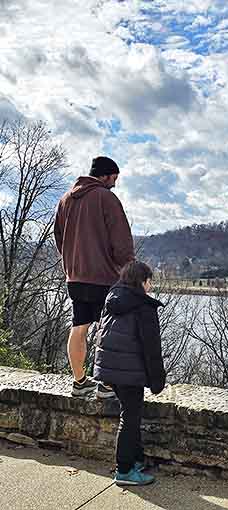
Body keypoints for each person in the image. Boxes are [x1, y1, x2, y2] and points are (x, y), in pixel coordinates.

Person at [54, 156, 135, 398]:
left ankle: (79, 382)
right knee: (107, 328)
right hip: (104, 277)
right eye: (114, 178)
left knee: (79, 327)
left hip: (75, 276)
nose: (115, 183)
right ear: (106, 174)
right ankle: (106, 385)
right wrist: (128, 269)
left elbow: (59, 237)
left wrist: (72, 262)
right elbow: (121, 240)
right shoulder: (106, 198)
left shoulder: (66, 199)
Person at [94, 260, 166, 486]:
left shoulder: (112, 299)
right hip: (129, 372)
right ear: (142, 281)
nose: (150, 286)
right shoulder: (143, 306)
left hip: (108, 368)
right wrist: (158, 382)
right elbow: (152, 348)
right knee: (130, 417)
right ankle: (124, 471)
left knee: (129, 412)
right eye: (149, 281)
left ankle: (136, 460)